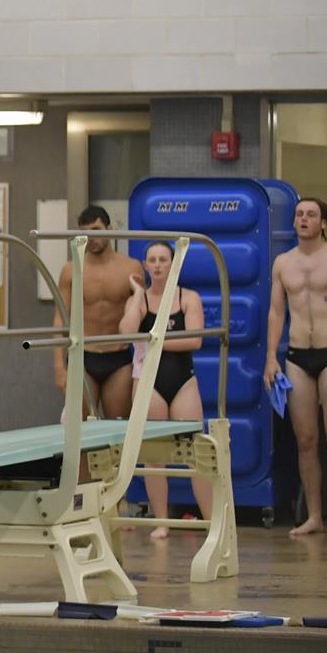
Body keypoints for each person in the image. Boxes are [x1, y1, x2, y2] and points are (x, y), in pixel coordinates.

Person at [265, 197, 327, 539]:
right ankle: (314, 515)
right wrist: (271, 357)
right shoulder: (283, 263)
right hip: (298, 355)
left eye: (311, 215)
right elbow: (276, 313)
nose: (303, 219)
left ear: (324, 223)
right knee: (305, 439)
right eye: (299, 214)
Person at [119, 240, 211, 539]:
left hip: (182, 379)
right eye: (152, 260)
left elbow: (194, 340)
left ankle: (210, 520)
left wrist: (152, 339)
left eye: (163, 260)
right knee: (154, 456)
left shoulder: (188, 298)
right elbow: (126, 333)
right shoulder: (141, 301)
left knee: (196, 454)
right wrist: (135, 295)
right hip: (149, 383)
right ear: (145, 265)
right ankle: (161, 521)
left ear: (173, 264)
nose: (158, 265)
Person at [53, 205, 142, 419]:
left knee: (118, 430)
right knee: (79, 432)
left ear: (110, 229)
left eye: (96, 229)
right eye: (85, 232)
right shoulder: (71, 269)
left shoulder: (131, 268)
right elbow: (60, 320)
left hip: (118, 357)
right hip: (84, 356)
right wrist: (58, 366)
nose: (90, 237)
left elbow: (141, 316)